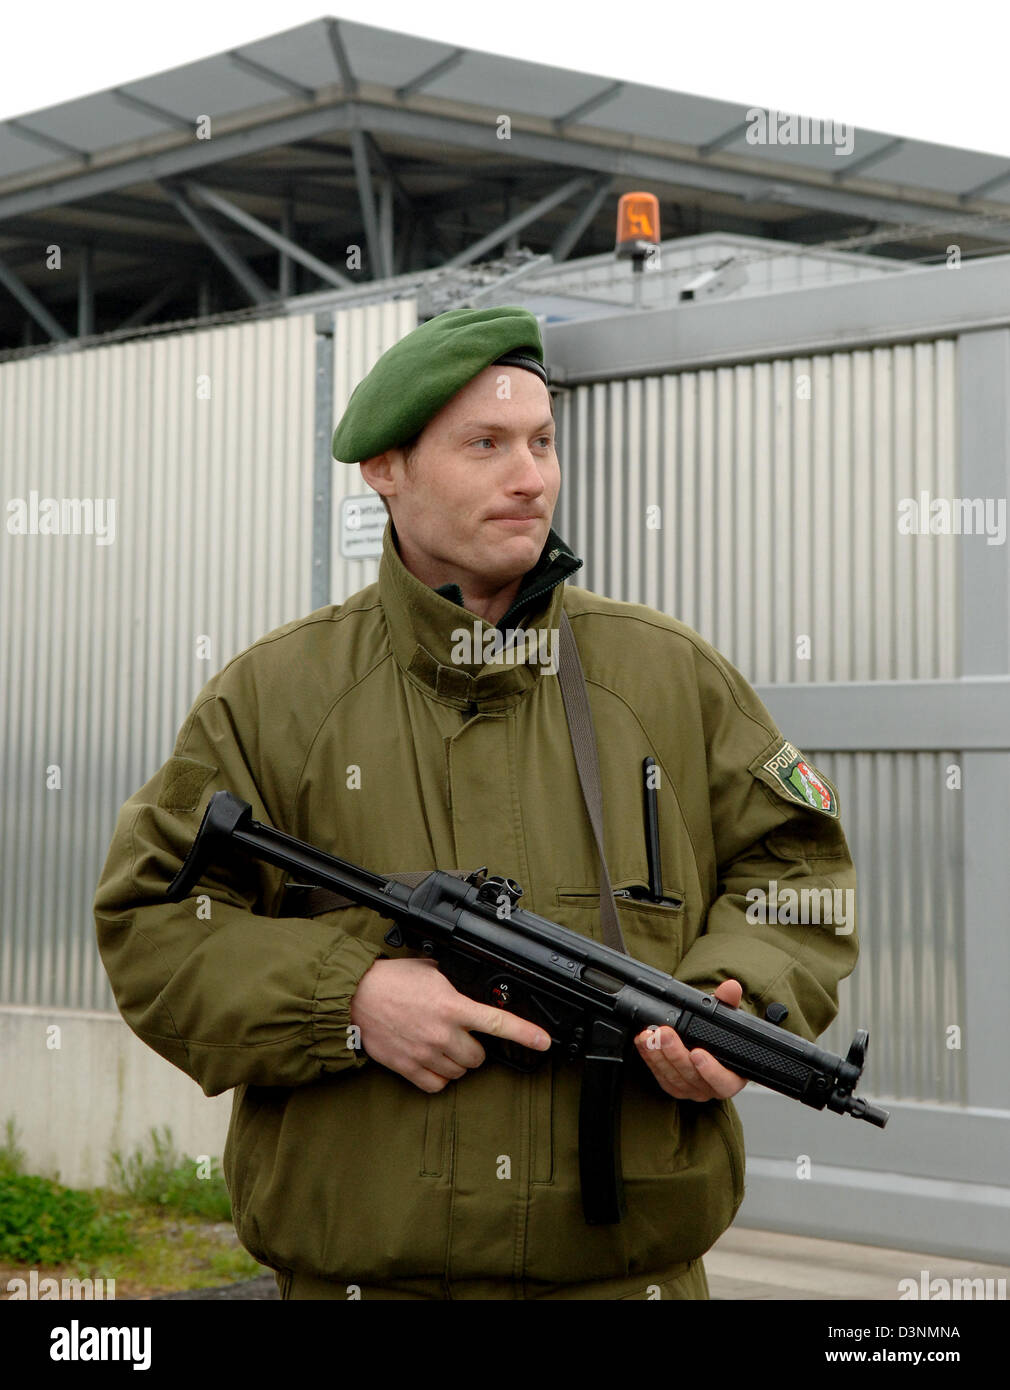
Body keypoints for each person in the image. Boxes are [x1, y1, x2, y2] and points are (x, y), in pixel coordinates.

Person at [94, 305, 859, 1301]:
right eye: (485, 443)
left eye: (541, 441)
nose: (530, 474)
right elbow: (155, 922)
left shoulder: (666, 673)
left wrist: (738, 994)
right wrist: (350, 998)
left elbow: (794, 872)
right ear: (386, 468)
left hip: (629, 1282)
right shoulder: (276, 695)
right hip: (363, 1280)